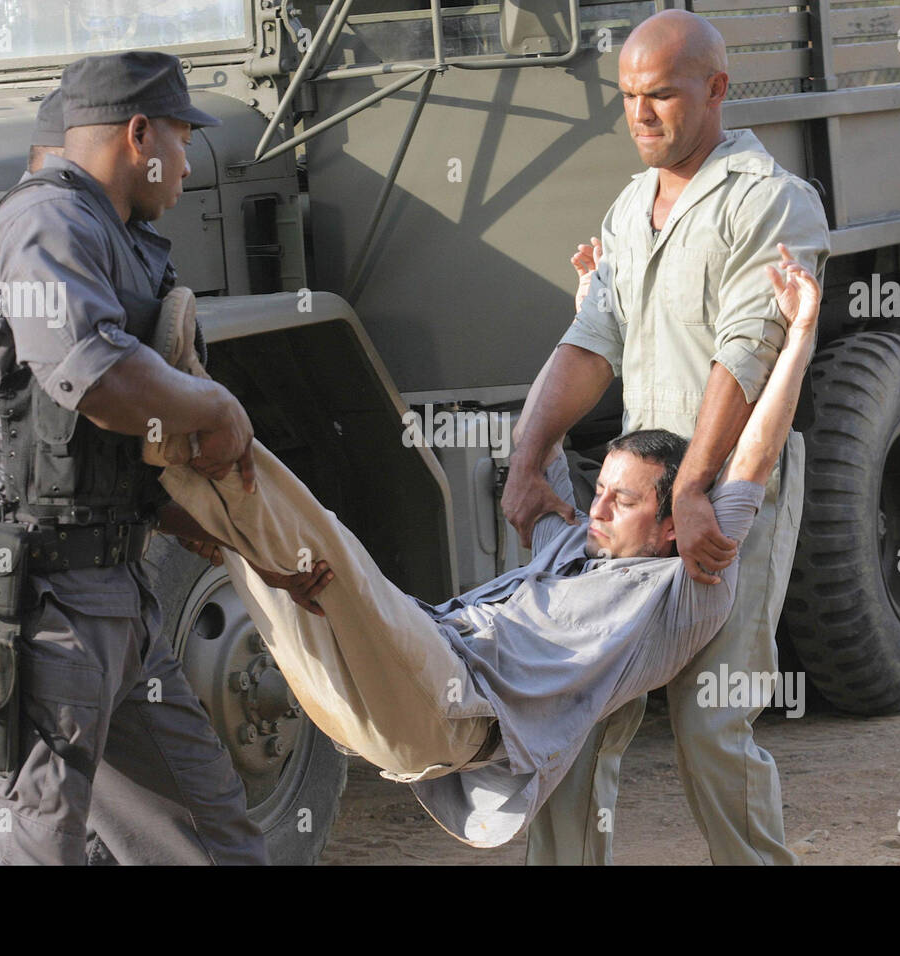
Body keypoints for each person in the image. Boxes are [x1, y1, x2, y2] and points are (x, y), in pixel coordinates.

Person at [153, 251, 820, 847]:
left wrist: (799, 337)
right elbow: (546, 433)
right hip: (385, 693)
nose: (599, 506)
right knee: (267, 565)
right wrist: (589, 309)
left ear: (672, 521)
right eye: (602, 488)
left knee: (330, 550)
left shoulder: (688, 593)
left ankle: (195, 399)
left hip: (451, 704)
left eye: (624, 498)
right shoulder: (569, 539)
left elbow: (756, 453)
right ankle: (161, 443)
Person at [502, 9, 830, 865]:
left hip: (727, 497)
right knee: (573, 710)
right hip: (638, 504)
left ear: (718, 90)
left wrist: (695, 486)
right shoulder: (628, 208)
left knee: (711, 723)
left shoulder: (770, 200)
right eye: (627, 98)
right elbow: (588, 344)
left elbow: (748, 353)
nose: (640, 115)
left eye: (661, 96)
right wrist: (528, 458)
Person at [0, 50, 266, 865]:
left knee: (211, 838)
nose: (188, 163)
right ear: (139, 134)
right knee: (27, 847)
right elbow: (97, 374)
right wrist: (214, 406)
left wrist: (232, 535)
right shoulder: (50, 223)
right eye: (182, 139)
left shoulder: (117, 235)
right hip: (40, 604)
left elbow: (106, 444)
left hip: (111, 597)